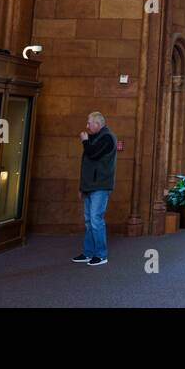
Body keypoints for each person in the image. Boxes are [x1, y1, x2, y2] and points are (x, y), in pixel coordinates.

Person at [74, 111, 116, 265]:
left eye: (89, 123)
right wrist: (81, 187)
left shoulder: (107, 138)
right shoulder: (95, 138)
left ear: (97, 124)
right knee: (88, 220)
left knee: (96, 220)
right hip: (89, 186)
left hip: (100, 186)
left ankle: (101, 255)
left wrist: (85, 141)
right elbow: (87, 166)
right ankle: (88, 253)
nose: (86, 126)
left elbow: (92, 154)